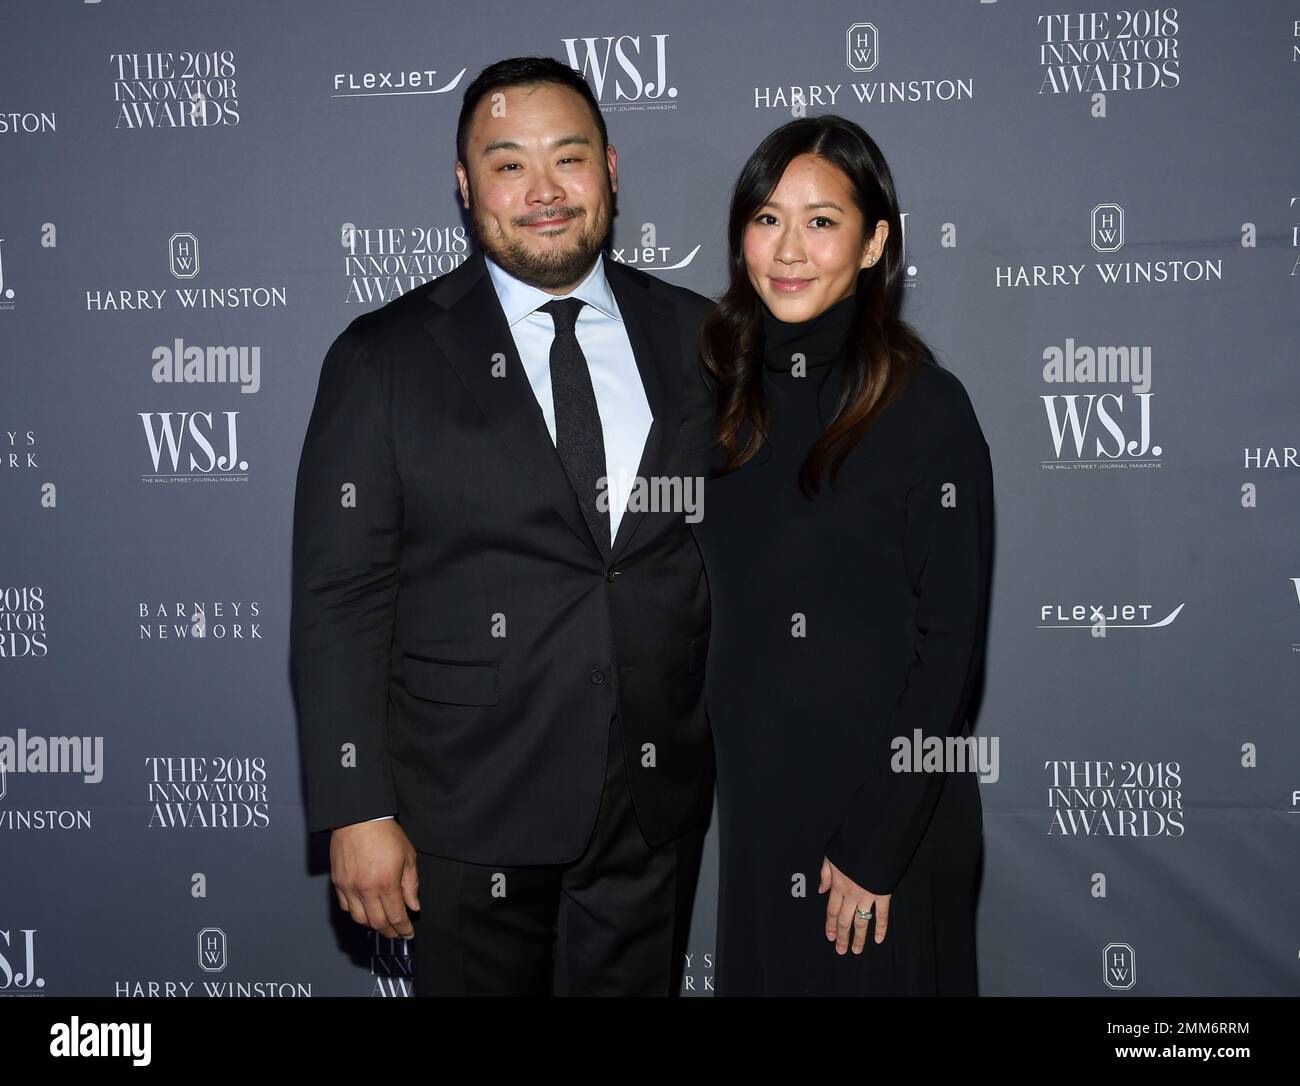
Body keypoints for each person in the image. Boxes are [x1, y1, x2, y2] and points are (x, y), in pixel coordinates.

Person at [290, 56, 718, 996]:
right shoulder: (382, 357)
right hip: (461, 809)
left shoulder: (699, 336)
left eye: (567, 159)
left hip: (649, 808)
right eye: (507, 164)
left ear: (610, 168)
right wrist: (356, 807)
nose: (543, 192)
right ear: (464, 185)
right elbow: (339, 599)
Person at [692, 115, 994, 995]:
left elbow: (951, 652)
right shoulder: (720, 402)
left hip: (881, 820)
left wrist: (877, 845)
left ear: (874, 244)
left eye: (822, 221)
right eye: (766, 217)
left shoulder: (926, 410)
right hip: (761, 808)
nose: (788, 249)